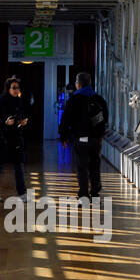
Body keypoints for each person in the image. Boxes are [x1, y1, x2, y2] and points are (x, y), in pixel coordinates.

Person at [58, 71, 109, 200]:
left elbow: (65, 119)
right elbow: (105, 118)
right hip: (96, 139)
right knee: (94, 165)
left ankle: (84, 195)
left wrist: (63, 136)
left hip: (81, 138)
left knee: (82, 167)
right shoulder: (98, 99)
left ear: (78, 84)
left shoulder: (74, 99)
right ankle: (95, 193)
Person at [0, 76, 29, 203]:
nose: (16, 90)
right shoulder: (1, 101)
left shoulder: (19, 101)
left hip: (15, 139)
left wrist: (22, 122)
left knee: (19, 166)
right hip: (3, 140)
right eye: (13, 88)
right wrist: (5, 123)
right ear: (8, 89)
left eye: (17, 88)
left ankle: (22, 193)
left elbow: (20, 116)